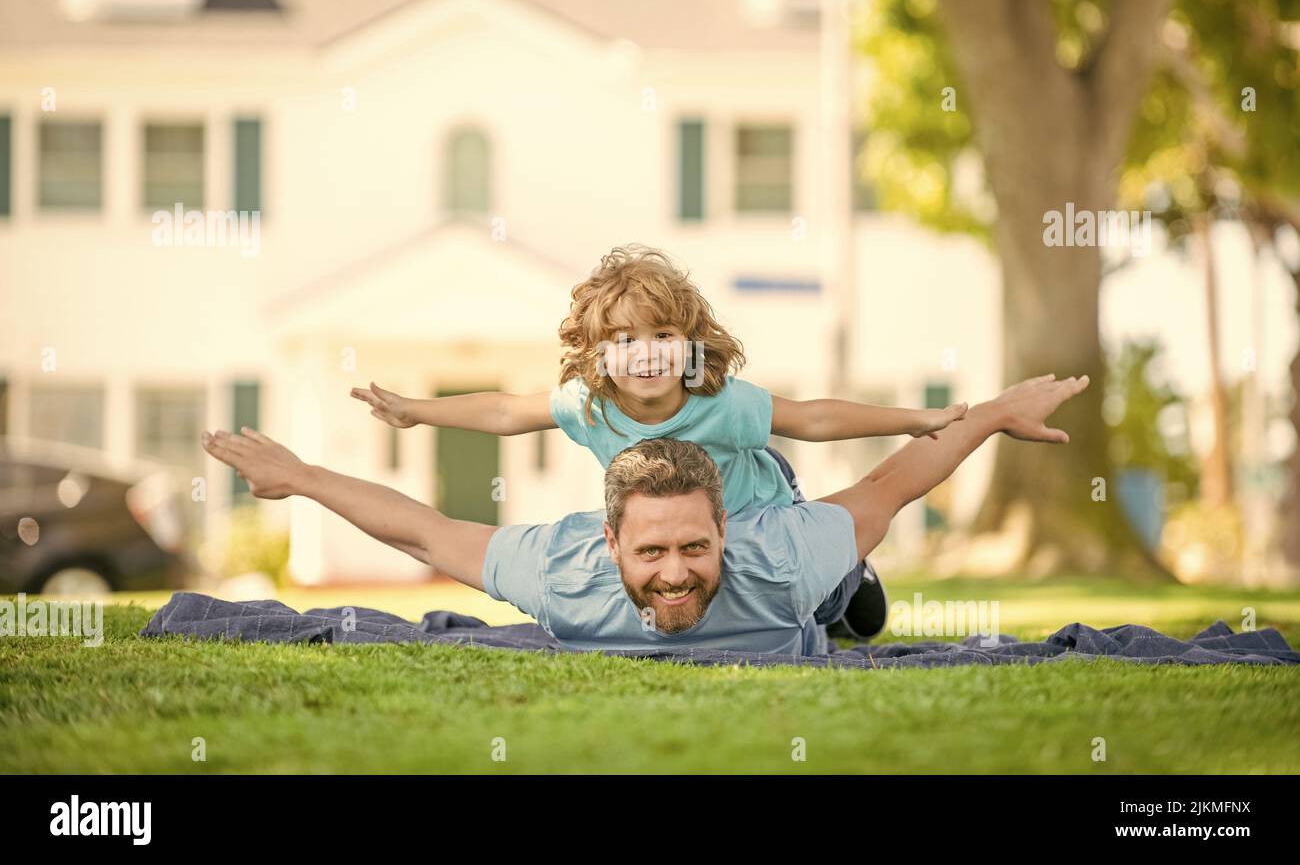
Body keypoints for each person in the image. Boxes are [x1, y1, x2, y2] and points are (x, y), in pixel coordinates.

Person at [201, 373, 1088, 656]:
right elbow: (423, 530)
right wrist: (306, 476)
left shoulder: (781, 556)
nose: (674, 572)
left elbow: (898, 479)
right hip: (751, 524)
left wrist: (997, 409)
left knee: (840, 581)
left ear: (725, 535)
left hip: (780, 516)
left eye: (694, 547)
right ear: (609, 543)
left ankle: (845, 580)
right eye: (653, 550)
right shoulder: (564, 572)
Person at [349, 244, 966, 638]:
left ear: (693, 344)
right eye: (621, 340)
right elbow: (507, 410)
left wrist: (907, 419)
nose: (643, 354)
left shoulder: (721, 403)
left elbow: (813, 420)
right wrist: (417, 412)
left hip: (763, 505)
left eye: (663, 334)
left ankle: (852, 574)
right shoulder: (591, 406)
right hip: (682, 523)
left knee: (816, 603)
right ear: (598, 354)